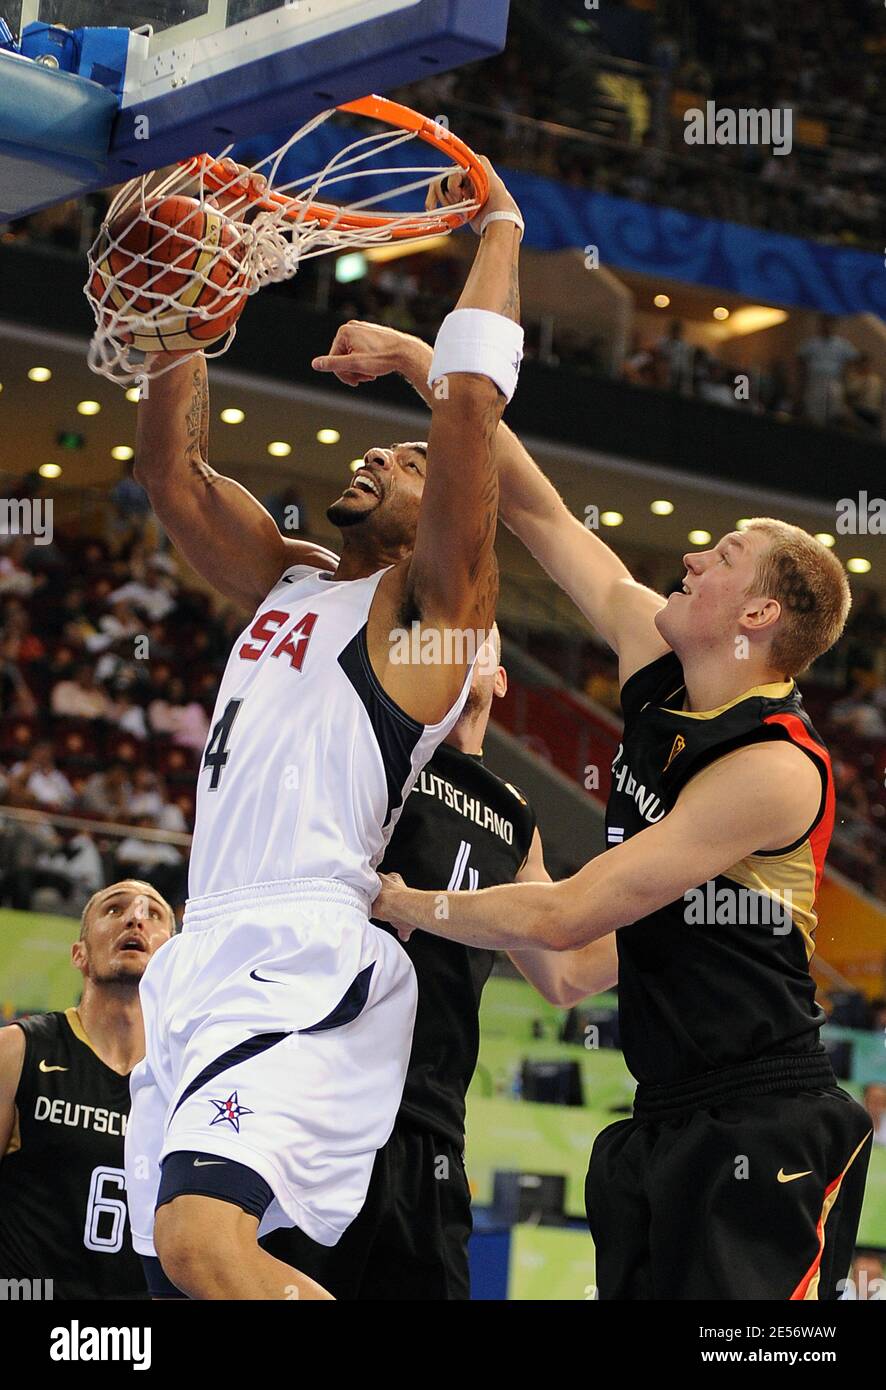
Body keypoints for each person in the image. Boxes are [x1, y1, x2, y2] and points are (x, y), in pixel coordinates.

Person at [361, 321, 873, 1300]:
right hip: (661, 1115)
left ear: (759, 614)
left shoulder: (772, 765)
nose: (689, 558)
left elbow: (566, 916)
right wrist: (422, 365)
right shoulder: (660, 665)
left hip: (765, 1120)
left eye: (720, 555)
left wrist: (399, 895)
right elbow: (544, 517)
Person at [124, 155, 525, 1300]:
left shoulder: (432, 620)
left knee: (207, 1251)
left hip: (303, 950)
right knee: (170, 1282)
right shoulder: (294, 584)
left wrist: (495, 229)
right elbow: (172, 471)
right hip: (206, 950)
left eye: (401, 464)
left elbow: (463, 408)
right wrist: (177, 320)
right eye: (378, 450)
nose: (375, 455)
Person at [264, 627, 616, 1297]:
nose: (457, 645)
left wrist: (681, 914)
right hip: (324, 1099)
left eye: (477, 638)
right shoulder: (379, 753)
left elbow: (565, 975)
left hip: (430, 1119)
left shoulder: (515, 815)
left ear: (501, 677)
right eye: (443, 635)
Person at [0, 881, 173, 1299]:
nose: (135, 917)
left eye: (153, 914)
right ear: (79, 953)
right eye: (114, 910)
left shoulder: (187, 1079)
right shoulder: (17, 1049)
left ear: (175, 959)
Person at [796, 315, 858, 427]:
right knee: (813, 410)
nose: (827, 326)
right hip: (815, 381)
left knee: (834, 409)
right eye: (825, 323)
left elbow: (852, 360)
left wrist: (846, 379)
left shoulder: (842, 344)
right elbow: (801, 361)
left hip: (833, 381)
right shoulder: (811, 343)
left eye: (830, 324)